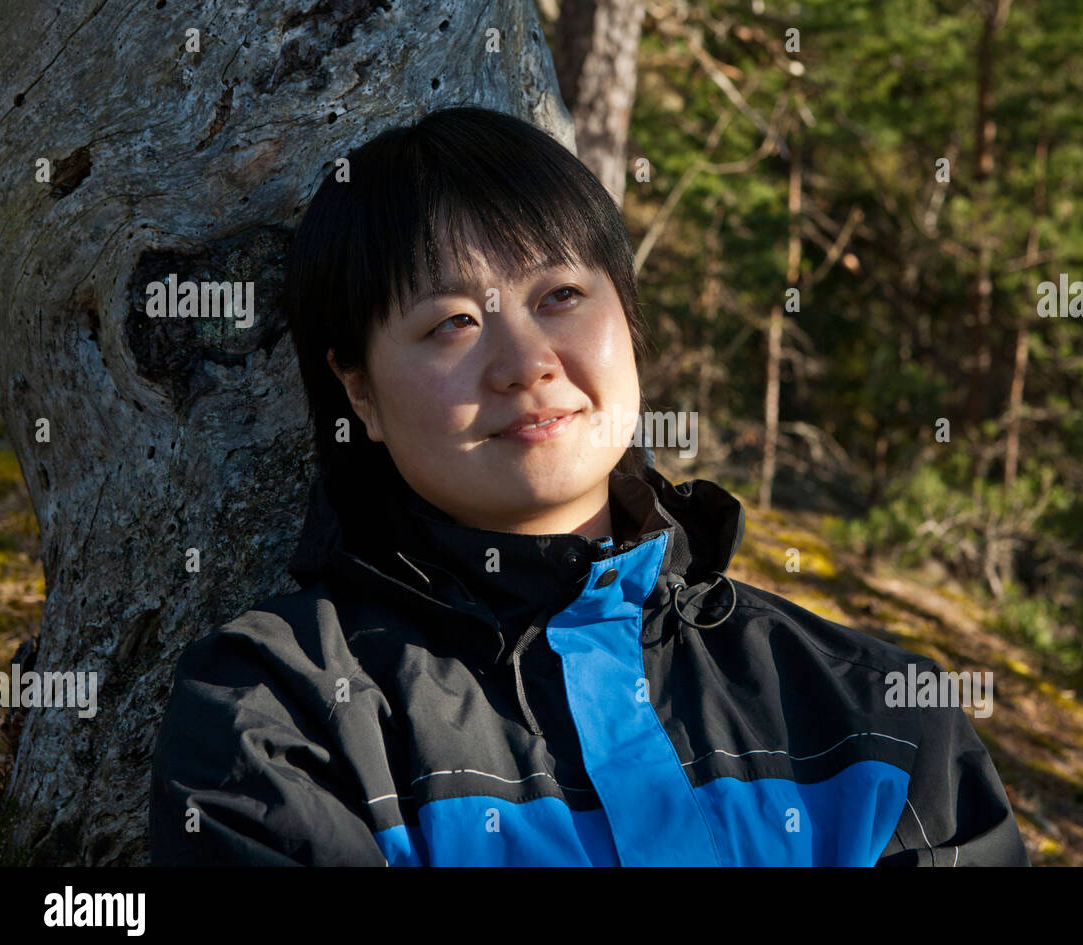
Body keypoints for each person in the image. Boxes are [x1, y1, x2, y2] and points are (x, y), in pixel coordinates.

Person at [148, 105, 1030, 866]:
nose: (526, 364)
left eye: (562, 294)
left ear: (632, 322)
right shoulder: (286, 713)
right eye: (453, 322)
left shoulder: (870, 712)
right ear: (360, 393)